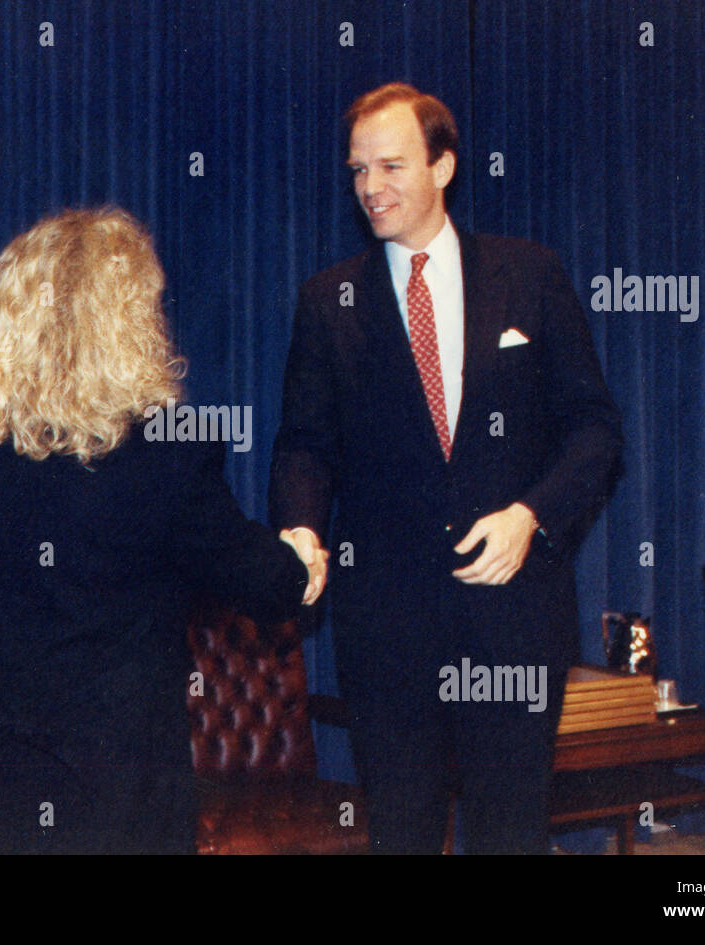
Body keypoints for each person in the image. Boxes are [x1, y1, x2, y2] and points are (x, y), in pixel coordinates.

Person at [0, 207, 311, 853]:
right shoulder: (165, 449)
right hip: (109, 790)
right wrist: (301, 559)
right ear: (131, 321)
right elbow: (266, 583)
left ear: (2, 305)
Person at [269, 82, 622, 853]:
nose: (370, 186)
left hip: (514, 616)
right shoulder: (329, 300)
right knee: (403, 830)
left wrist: (531, 516)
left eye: (391, 166)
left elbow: (595, 430)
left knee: (511, 831)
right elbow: (304, 445)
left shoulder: (530, 275)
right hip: (387, 624)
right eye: (358, 169)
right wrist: (299, 527)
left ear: (444, 166)